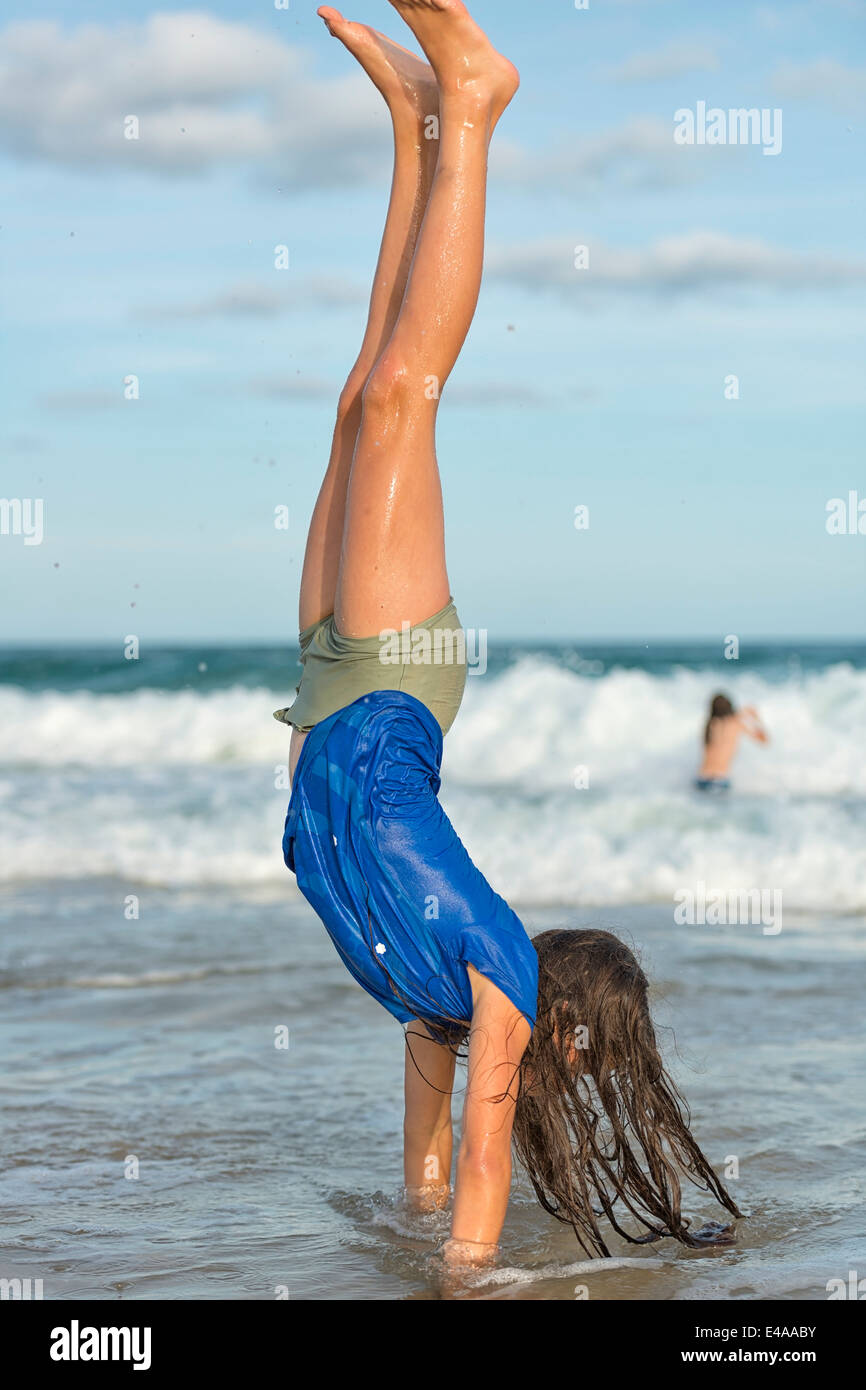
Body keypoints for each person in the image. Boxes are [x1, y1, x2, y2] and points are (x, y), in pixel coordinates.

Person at [276, 0, 741, 1268]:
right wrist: (467, 1289)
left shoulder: (442, 1010)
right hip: (390, 689)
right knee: (400, 399)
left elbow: (431, 1169)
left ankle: (415, 126)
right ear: (567, 1024)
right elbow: (484, 1160)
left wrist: (418, 1240)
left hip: (334, 693)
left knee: (356, 400)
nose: (528, 1047)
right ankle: (474, 102)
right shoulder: (492, 988)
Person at [696, 693, 769, 791]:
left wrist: (742, 713)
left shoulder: (710, 724)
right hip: (719, 780)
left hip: (701, 779)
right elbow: (764, 740)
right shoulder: (736, 723)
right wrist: (756, 719)